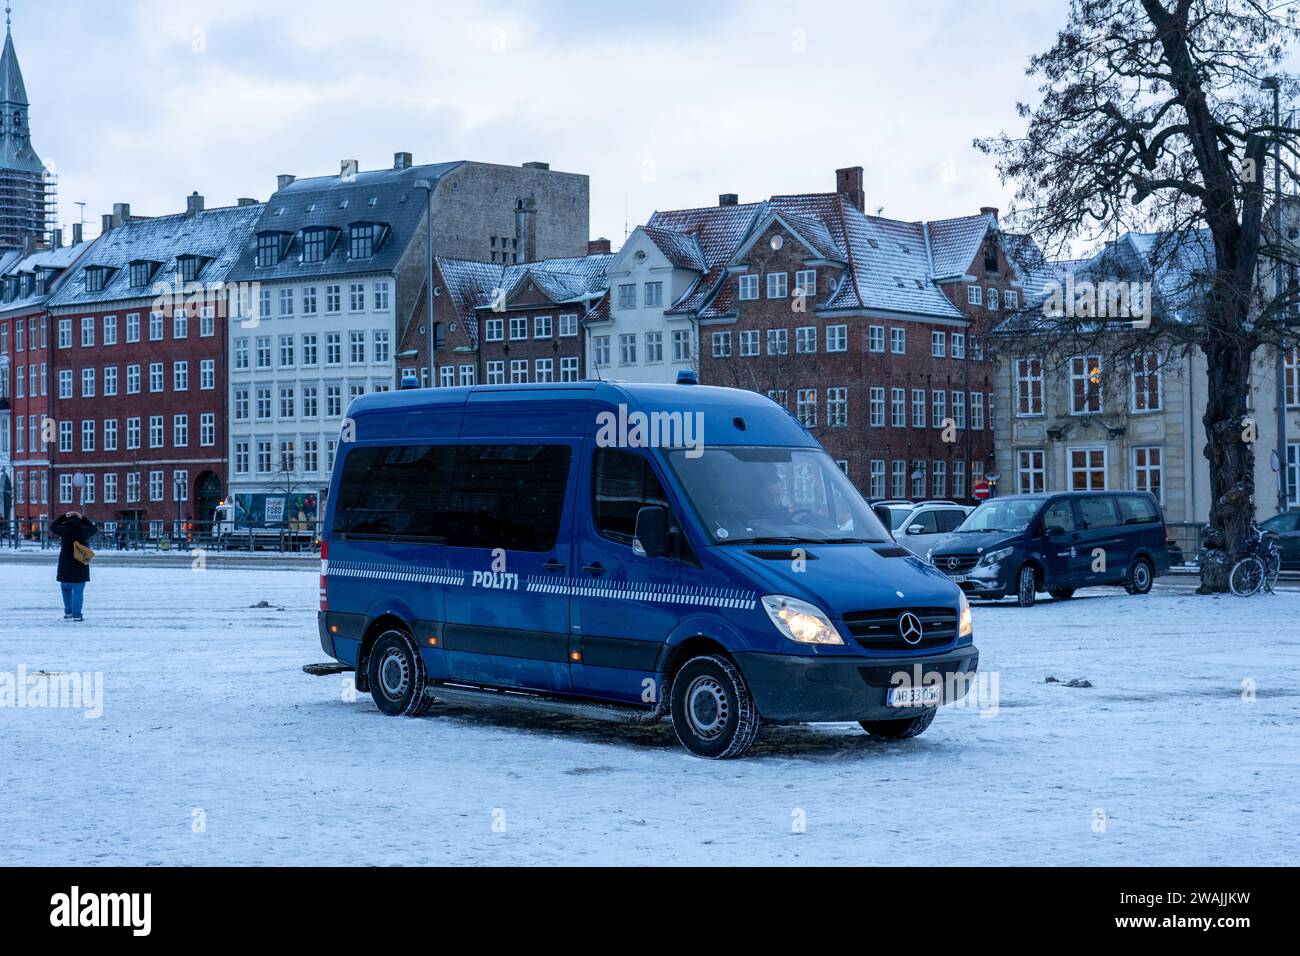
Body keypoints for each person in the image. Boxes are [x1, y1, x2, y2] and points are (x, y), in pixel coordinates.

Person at [50, 511, 98, 622]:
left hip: (65, 566)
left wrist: (63, 516)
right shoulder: (84, 530)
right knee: (78, 591)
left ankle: (68, 613)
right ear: (79, 520)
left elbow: (53, 526)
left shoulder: (64, 530)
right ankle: (77, 615)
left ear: (67, 519)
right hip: (80, 566)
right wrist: (84, 518)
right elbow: (94, 529)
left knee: (65, 590)